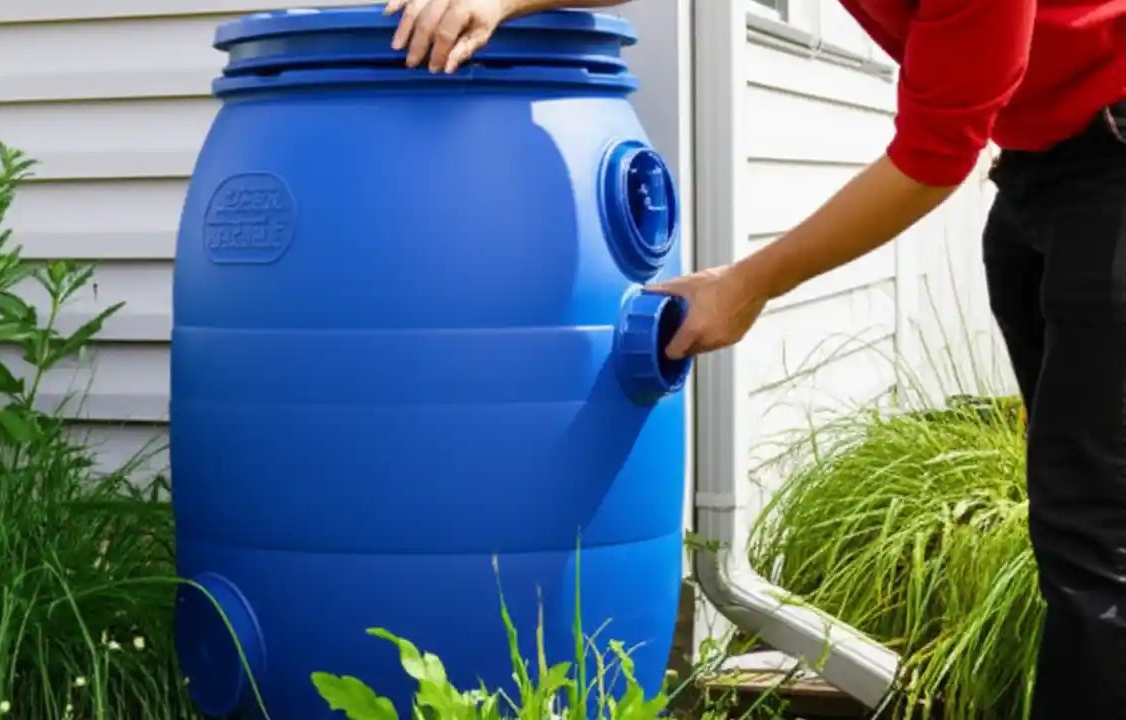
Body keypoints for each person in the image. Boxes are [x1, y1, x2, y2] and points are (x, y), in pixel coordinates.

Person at [384, 0, 1126, 717]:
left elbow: (933, 158)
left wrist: (749, 285)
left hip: (1110, 161)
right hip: (1039, 168)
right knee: (1079, 508)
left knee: (1095, 541)